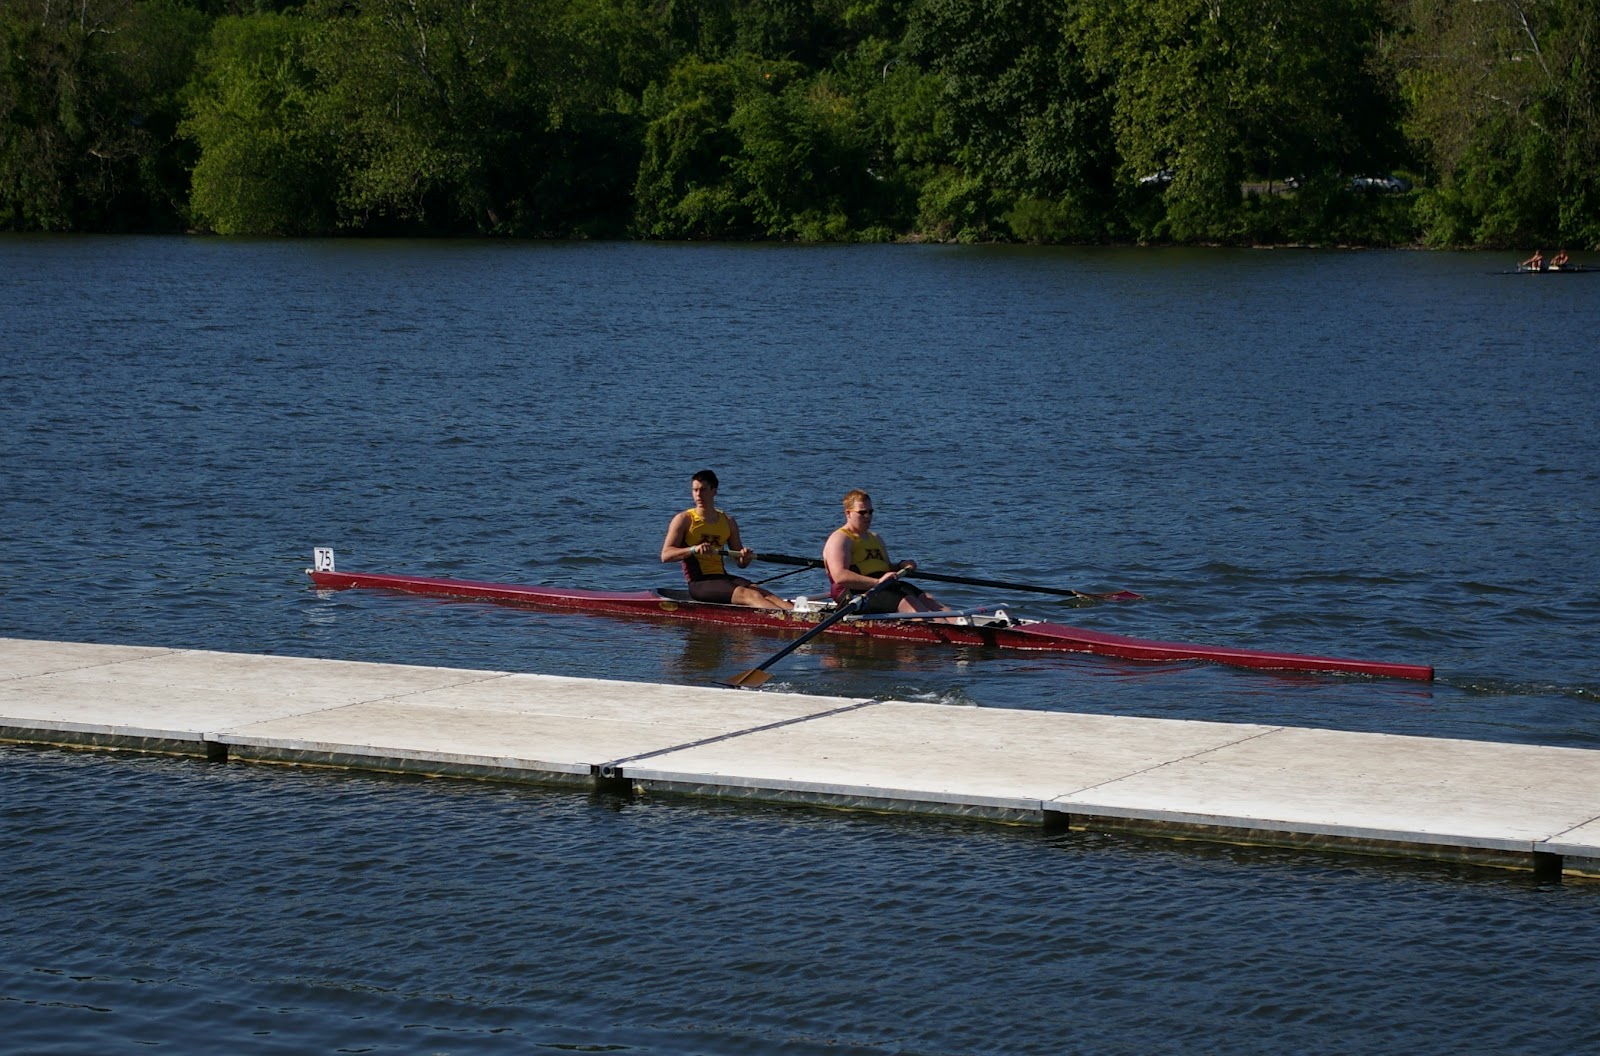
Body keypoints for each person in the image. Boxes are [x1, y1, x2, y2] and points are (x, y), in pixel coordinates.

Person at [661, 470, 792, 610]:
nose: (698, 495)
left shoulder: (728, 521)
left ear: (714, 491)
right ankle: (786, 620)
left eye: (703, 490)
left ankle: (800, 616)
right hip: (699, 582)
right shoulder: (684, 520)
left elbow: (740, 562)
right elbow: (665, 555)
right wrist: (693, 549)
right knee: (749, 595)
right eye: (695, 490)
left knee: (763, 593)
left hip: (722, 577)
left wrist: (744, 558)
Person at [822, 489, 946, 615]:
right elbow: (840, 576)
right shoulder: (840, 539)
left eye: (870, 512)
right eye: (862, 512)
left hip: (884, 585)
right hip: (856, 593)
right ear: (848, 513)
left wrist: (901, 565)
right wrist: (877, 582)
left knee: (928, 600)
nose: (868, 516)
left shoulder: (875, 538)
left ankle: (961, 625)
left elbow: (886, 567)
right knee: (911, 604)